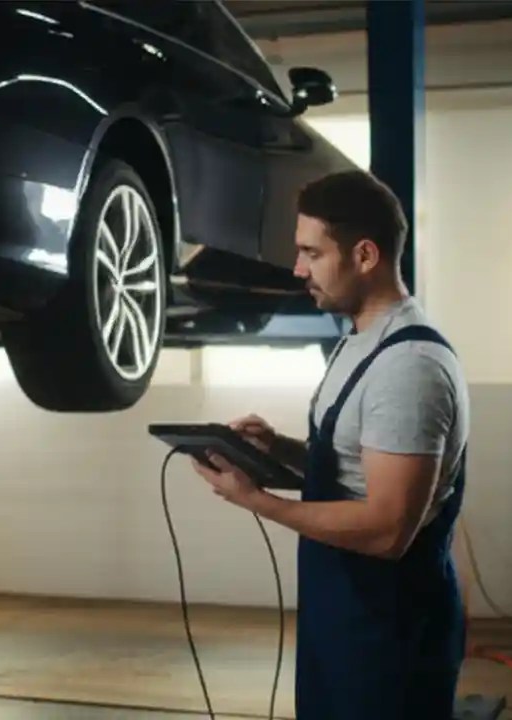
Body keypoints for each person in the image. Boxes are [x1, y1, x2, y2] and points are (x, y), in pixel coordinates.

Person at [190, 169, 470, 720]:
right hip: (343, 621)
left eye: (311, 253)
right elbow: (353, 464)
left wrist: (257, 500)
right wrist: (279, 447)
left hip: (391, 631)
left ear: (365, 255)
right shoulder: (359, 343)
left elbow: (389, 530)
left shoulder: (408, 368)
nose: (298, 270)